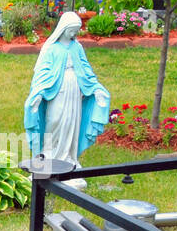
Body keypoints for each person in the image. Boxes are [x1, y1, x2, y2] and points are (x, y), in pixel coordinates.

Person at [24, 11, 111, 168]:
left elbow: (85, 68)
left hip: (74, 89)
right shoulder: (51, 48)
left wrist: (95, 88)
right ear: (63, 28)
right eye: (71, 30)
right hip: (56, 89)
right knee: (54, 119)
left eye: (76, 31)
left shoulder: (77, 47)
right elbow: (43, 72)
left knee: (71, 121)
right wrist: (39, 92)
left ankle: (69, 158)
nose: (74, 33)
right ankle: (48, 154)